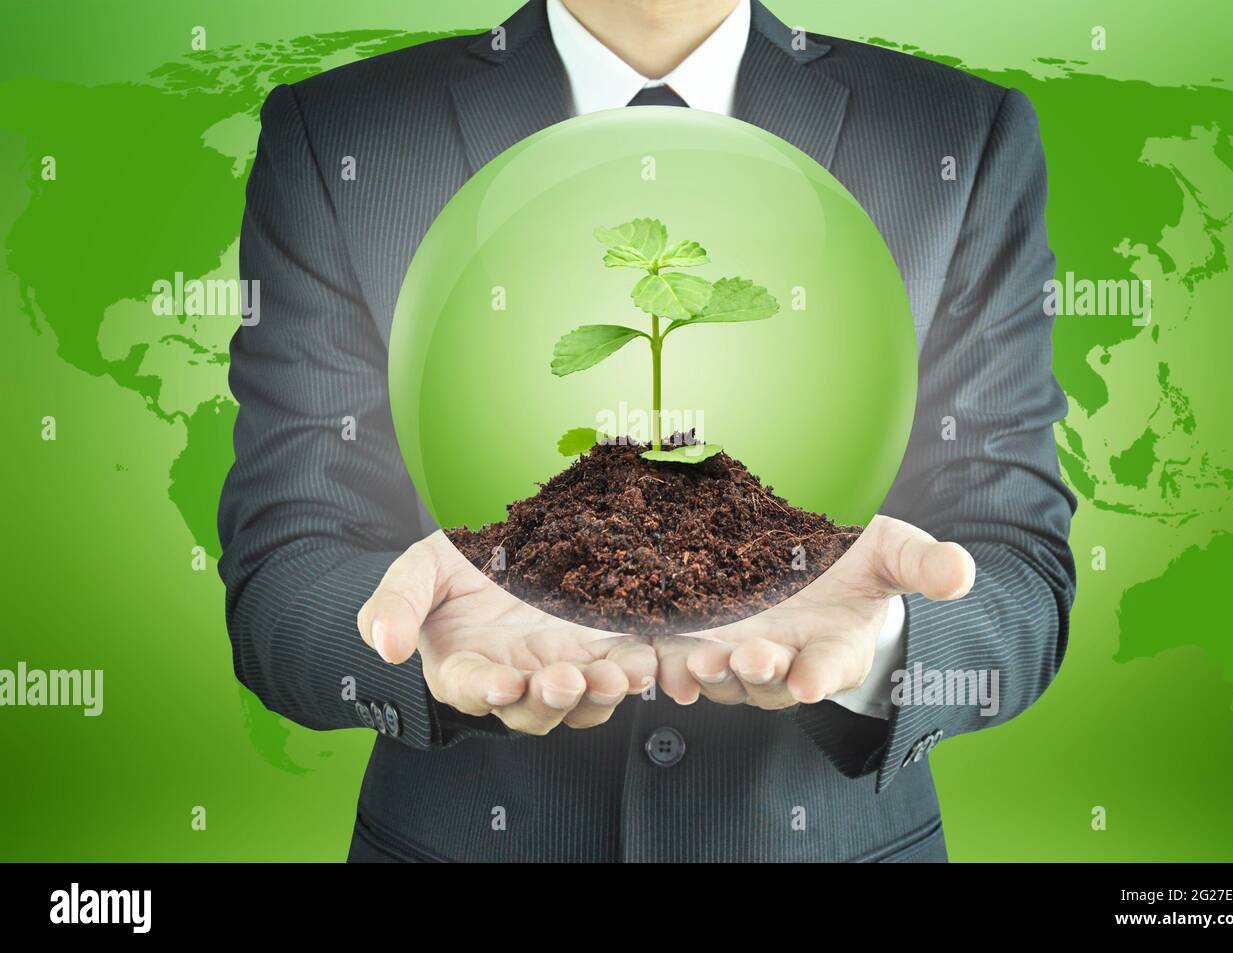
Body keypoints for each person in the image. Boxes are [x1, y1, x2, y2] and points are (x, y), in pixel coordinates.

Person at [218, 0, 1076, 862]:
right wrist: (423, 653)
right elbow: (283, 570)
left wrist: (884, 641)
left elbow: (1018, 566)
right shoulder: (349, 135)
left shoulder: (953, 133)